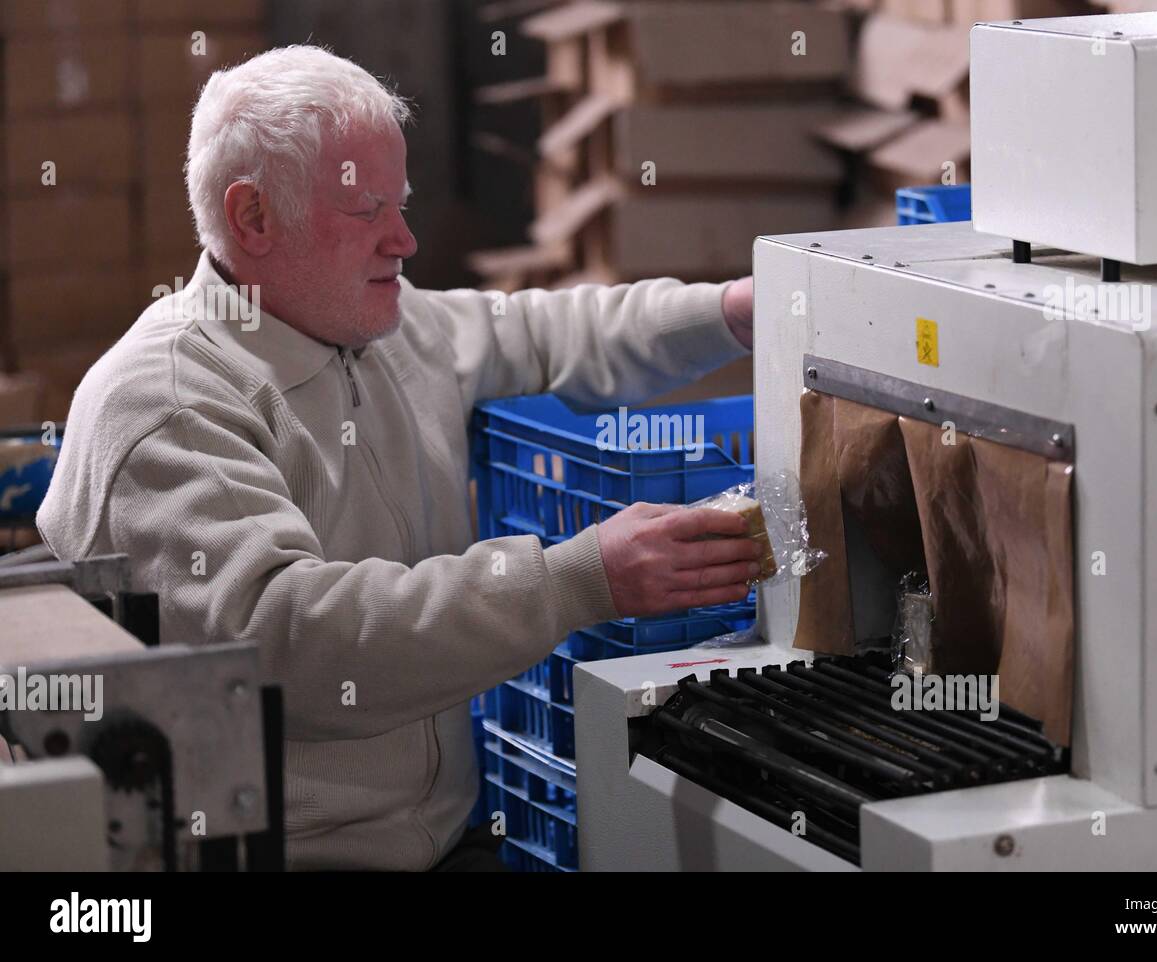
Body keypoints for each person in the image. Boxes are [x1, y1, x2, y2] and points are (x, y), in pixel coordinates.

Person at [37, 46, 759, 871]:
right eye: (366, 208)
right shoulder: (168, 404)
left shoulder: (384, 326)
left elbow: (544, 332)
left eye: (402, 202)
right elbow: (294, 638)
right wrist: (576, 581)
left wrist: (728, 313)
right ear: (254, 219)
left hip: (447, 839)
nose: (406, 239)